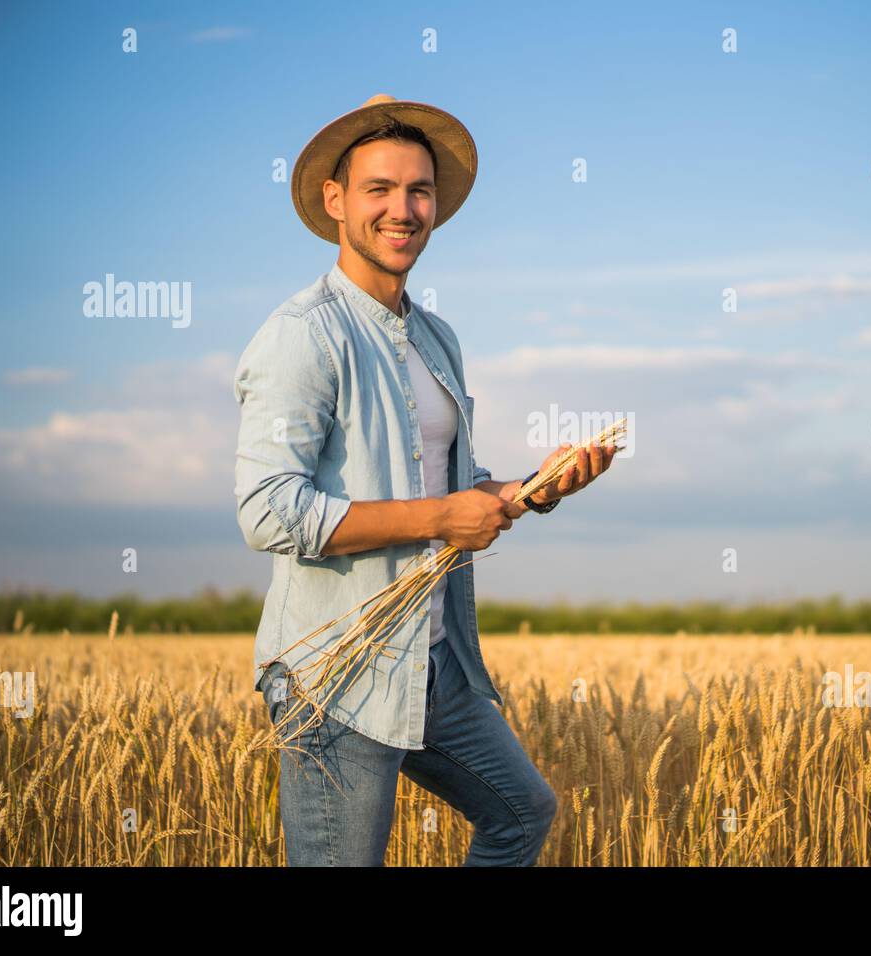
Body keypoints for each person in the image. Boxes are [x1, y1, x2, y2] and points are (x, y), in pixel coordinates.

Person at [233, 94, 617, 866]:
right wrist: (443, 515)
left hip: (431, 660)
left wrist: (531, 489)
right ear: (335, 201)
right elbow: (268, 511)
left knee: (521, 815)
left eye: (419, 190)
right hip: (336, 671)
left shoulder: (436, 337)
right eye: (379, 189)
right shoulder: (302, 335)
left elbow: (452, 481)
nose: (402, 210)